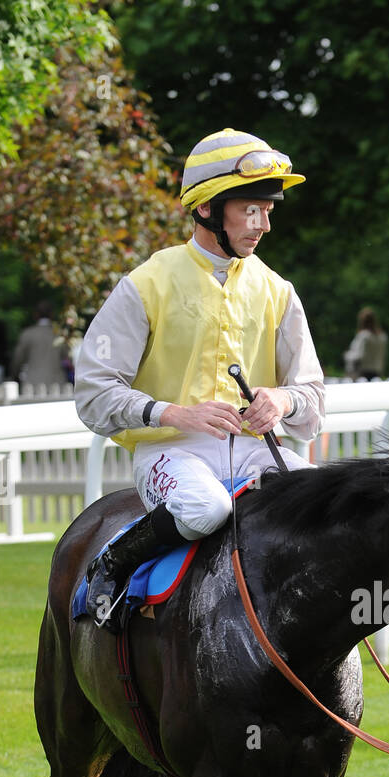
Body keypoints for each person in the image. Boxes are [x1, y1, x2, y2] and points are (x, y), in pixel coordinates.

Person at [74, 127, 323, 622]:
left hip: (254, 453)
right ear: (208, 208)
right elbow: (93, 394)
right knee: (205, 508)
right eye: (252, 209)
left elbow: (312, 398)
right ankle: (113, 562)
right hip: (168, 452)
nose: (264, 225)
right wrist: (177, 413)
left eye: (269, 211)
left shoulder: (278, 291)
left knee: (325, 505)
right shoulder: (146, 284)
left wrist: (281, 400)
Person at [10, 301, 67, 389]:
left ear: (36, 314)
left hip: (32, 383)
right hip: (57, 383)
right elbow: (68, 357)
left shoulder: (27, 334)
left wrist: (14, 375)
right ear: (52, 314)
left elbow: (18, 359)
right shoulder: (60, 335)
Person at [344, 307, 388, 380]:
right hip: (377, 372)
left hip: (362, 373)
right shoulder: (382, 337)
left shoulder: (363, 336)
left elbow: (359, 355)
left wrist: (347, 355)